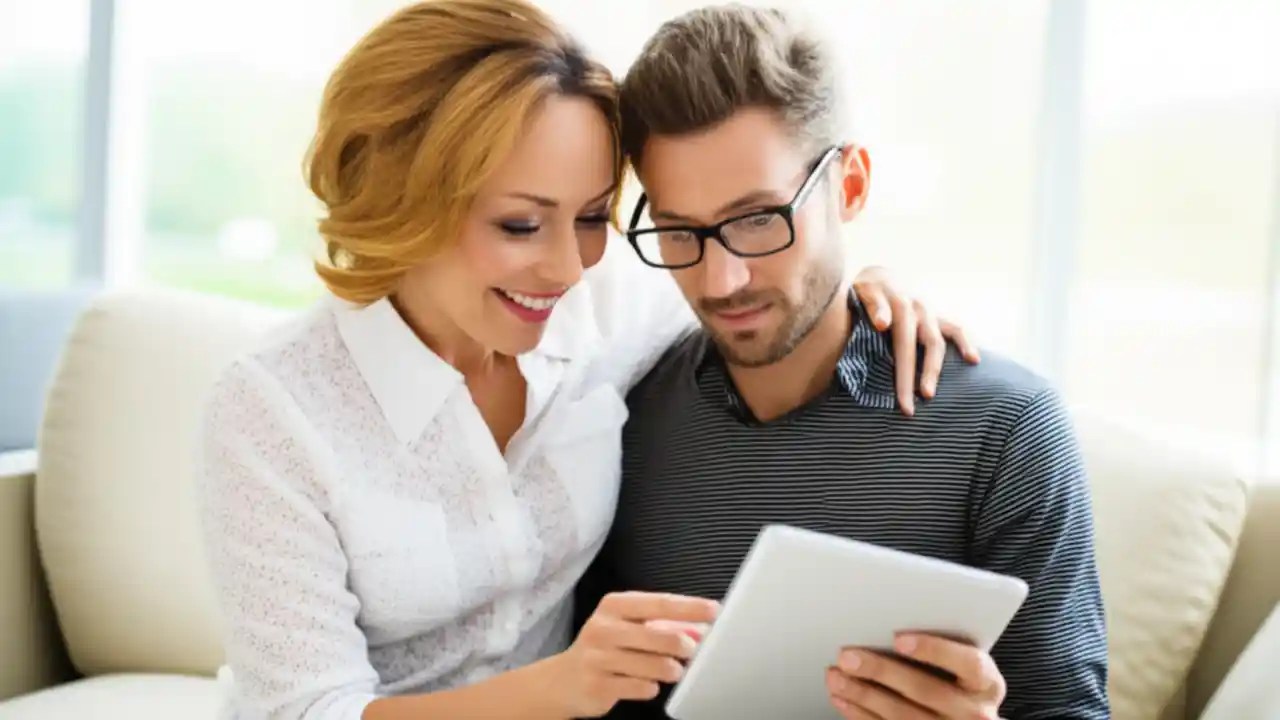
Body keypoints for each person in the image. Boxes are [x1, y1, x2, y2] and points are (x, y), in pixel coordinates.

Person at [196, 2, 974, 719]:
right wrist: (555, 688)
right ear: (404, 203)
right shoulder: (274, 409)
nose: (569, 268)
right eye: (520, 225)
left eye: (593, 217)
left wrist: (866, 290)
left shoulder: (605, 310)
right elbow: (303, 711)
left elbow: (748, 283)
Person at [579, 5, 1110, 719]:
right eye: (679, 233)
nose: (721, 281)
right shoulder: (624, 412)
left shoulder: (1005, 431)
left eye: (759, 219)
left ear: (850, 185)